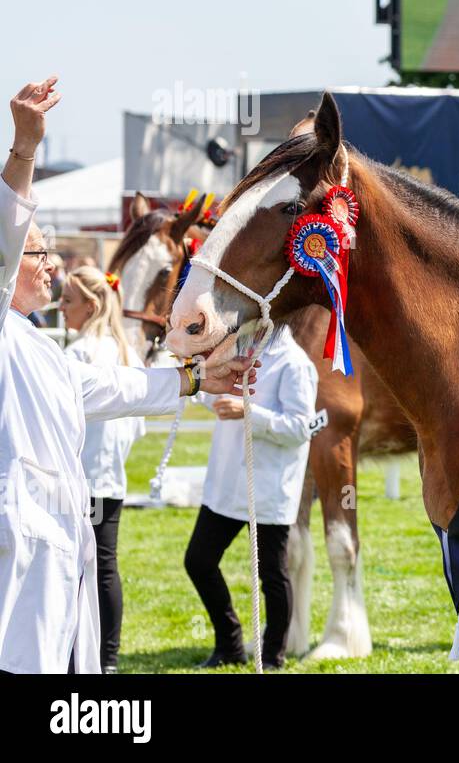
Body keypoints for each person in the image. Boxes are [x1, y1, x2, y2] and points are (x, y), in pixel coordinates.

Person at [1, 76, 255, 674]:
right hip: (17, 548)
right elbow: (4, 229)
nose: (53, 264)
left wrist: (196, 382)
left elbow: (109, 389)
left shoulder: (35, 347)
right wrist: (25, 147)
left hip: (55, 549)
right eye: (40, 253)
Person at [184, 326, 317, 670]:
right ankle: (229, 643)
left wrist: (249, 414)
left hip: (268, 487)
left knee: (272, 575)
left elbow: (302, 428)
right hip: (227, 484)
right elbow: (212, 395)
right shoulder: (237, 353)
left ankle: (273, 655)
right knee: (198, 560)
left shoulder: (294, 364)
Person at [60, 266, 148, 673]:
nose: (60, 309)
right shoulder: (126, 351)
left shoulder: (77, 354)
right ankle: (107, 658)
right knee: (106, 566)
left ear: (91, 306)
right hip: (111, 477)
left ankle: (81, 655)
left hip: (80, 479)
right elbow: (138, 423)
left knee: (79, 570)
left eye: (67, 301)